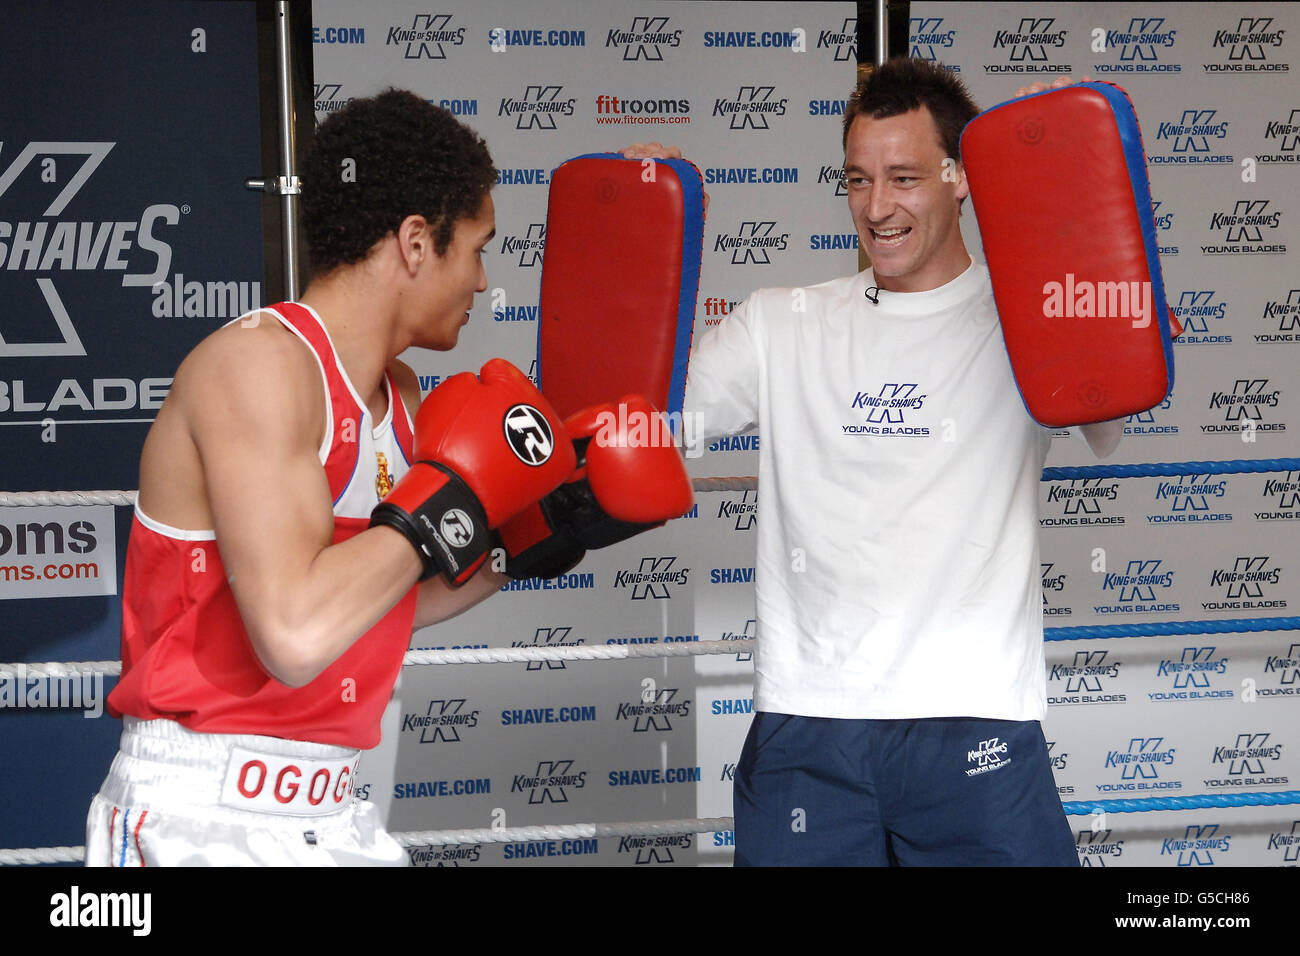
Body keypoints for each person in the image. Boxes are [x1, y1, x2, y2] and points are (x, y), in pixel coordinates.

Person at [84, 89, 596, 866]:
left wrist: (522, 545)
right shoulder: (258, 365)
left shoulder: (407, 398)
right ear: (417, 242)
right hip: (201, 814)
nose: (485, 281)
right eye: (479, 246)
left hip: (334, 806)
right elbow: (294, 634)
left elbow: (376, 605)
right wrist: (446, 504)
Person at [632, 58, 1122, 865]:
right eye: (858, 180)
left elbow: (1111, 409)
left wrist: (1114, 298)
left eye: (904, 177)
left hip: (976, 720)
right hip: (809, 730)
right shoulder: (780, 324)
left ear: (961, 178)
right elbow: (644, 427)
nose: (878, 207)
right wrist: (635, 240)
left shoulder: (1030, 320)